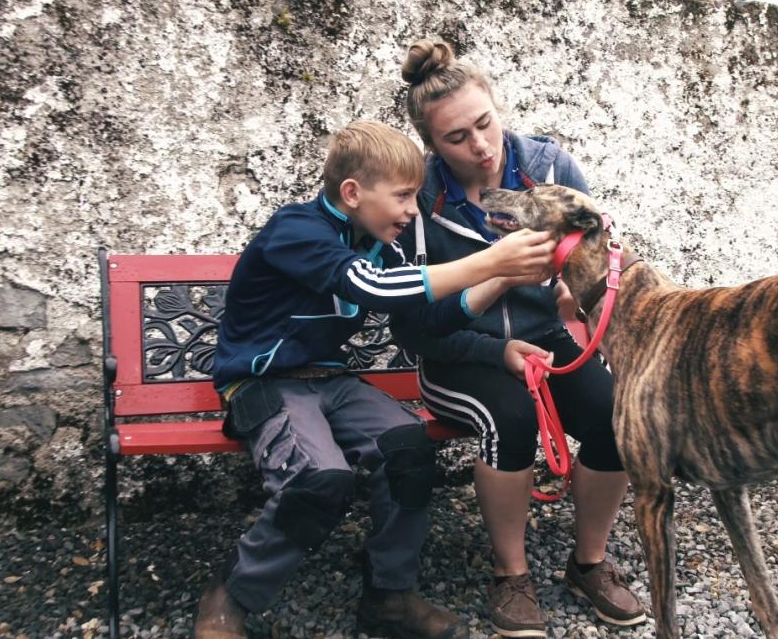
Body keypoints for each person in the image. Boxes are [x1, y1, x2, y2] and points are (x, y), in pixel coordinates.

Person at [196, 121, 557, 639]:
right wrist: (488, 260)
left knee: (408, 450)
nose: (413, 210)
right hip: (265, 382)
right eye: (404, 196)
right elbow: (371, 287)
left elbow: (425, 320)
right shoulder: (295, 230)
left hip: (332, 380)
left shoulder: (378, 245)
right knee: (318, 478)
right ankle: (230, 594)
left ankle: (390, 596)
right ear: (352, 192)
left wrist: (501, 298)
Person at [390, 38, 647, 638]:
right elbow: (412, 329)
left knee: (617, 415)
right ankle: (512, 574)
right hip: (457, 351)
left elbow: (594, 259)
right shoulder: (418, 198)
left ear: (497, 108)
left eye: (485, 124)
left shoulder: (551, 167)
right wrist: (492, 346)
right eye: (457, 138)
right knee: (509, 415)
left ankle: (588, 562)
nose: (480, 146)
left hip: (546, 338)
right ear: (432, 146)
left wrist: (575, 296)